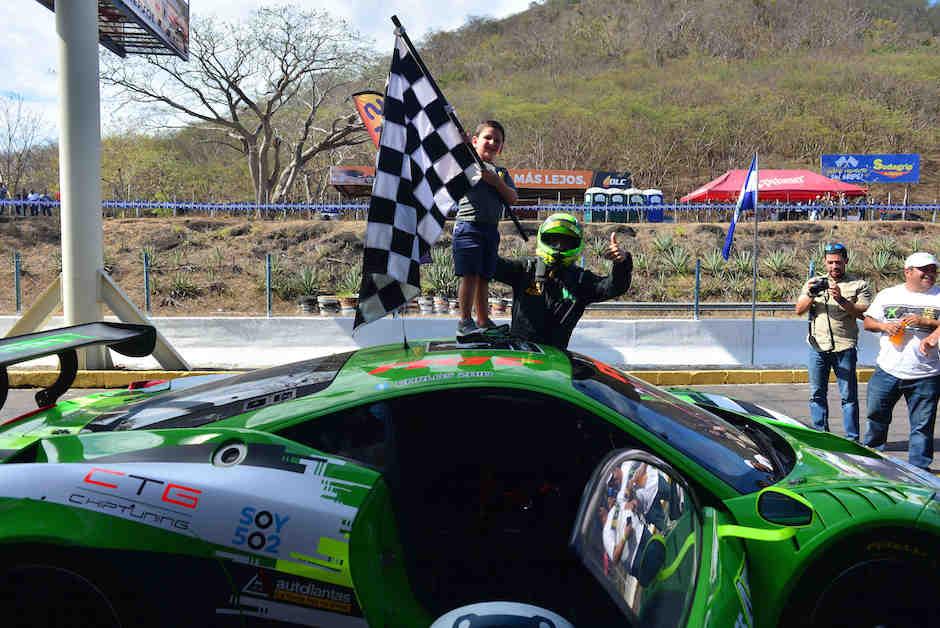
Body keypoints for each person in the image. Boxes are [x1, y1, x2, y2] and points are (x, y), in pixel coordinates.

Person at [491, 213, 631, 349]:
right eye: (553, 240)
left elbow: (614, 287)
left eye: (565, 242)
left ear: (576, 244)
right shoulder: (525, 269)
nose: (559, 246)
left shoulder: (581, 280)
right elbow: (491, 265)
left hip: (556, 359)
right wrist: (483, 231)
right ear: (543, 239)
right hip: (520, 355)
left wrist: (622, 263)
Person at [862, 252, 940, 471]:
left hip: (927, 373)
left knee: (922, 426)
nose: (930, 274)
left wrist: (928, 324)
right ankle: (871, 461)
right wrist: (885, 327)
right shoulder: (888, 295)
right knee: (876, 417)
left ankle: (919, 470)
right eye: (924, 269)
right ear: (908, 272)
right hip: (888, 370)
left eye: (933, 269)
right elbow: (868, 322)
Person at [794, 242, 872, 441]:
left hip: (845, 347)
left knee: (849, 397)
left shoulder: (859, 285)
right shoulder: (814, 282)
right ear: (824, 262)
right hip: (817, 347)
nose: (834, 267)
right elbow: (799, 310)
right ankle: (822, 437)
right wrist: (812, 294)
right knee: (817, 394)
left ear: (846, 261)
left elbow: (863, 313)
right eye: (830, 263)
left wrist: (842, 300)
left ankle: (852, 439)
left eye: (838, 262)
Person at [452, 120, 518, 338]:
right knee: (469, 275)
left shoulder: (500, 173)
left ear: (501, 147)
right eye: (487, 138)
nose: (491, 143)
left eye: (497, 140)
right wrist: (461, 146)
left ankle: (483, 319)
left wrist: (496, 182)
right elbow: (454, 161)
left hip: (491, 229)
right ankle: (464, 320)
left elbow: (512, 198)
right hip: (468, 226)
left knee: (484, 276)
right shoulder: (467, 164)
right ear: (475, 141)